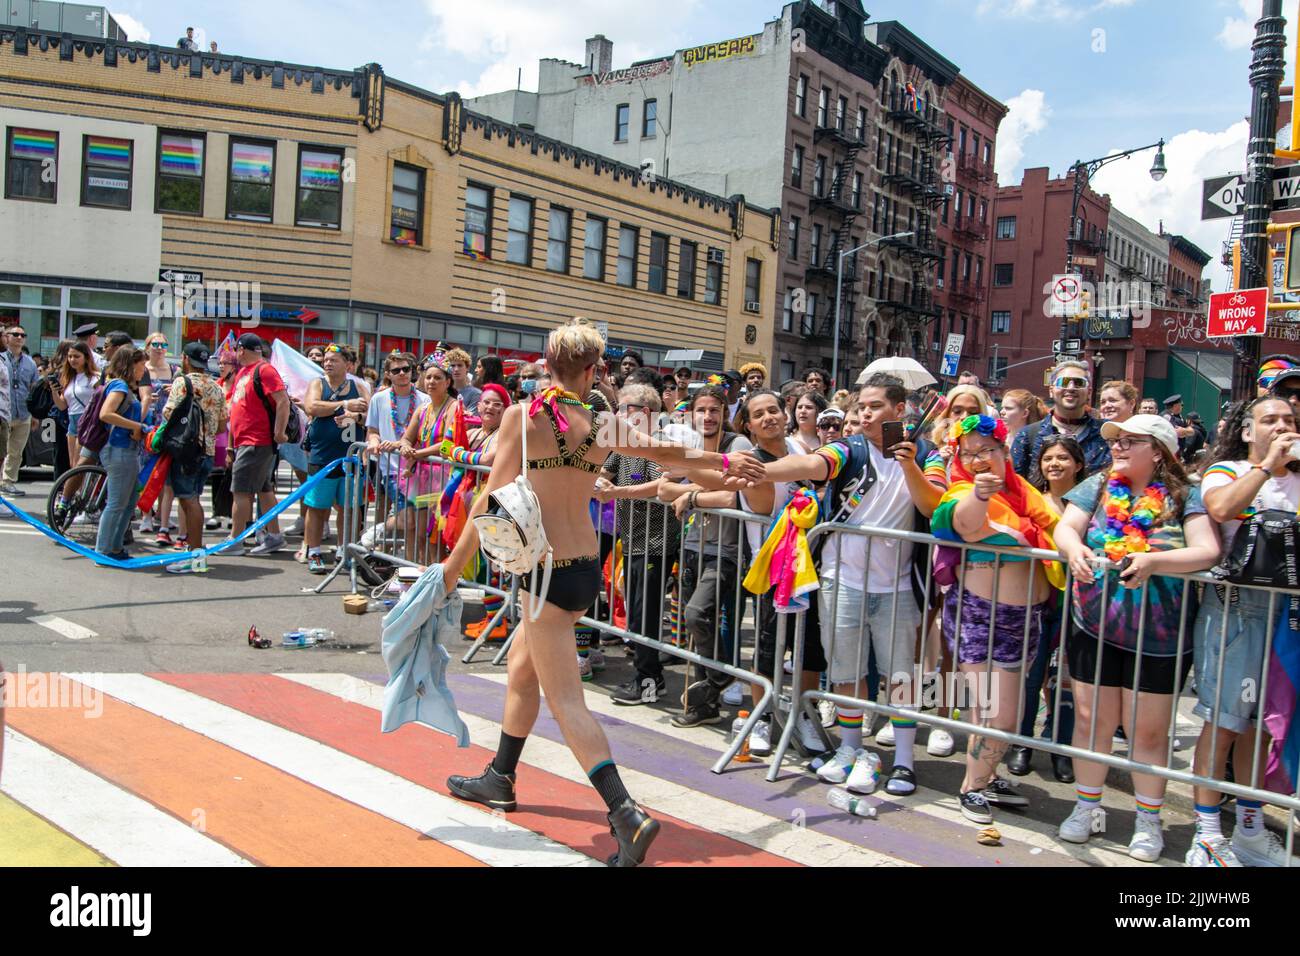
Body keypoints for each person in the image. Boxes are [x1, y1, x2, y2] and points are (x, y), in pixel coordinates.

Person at [440, 318, 763, 867]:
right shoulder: (600, 424)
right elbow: (668, 453)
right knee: (522, 668)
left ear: (548, 362)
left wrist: (447, 574)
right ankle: (501, 775)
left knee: (566, 700)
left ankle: (625, 813)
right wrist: (723, 461)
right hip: (586, 564)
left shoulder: (524, 418)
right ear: (593, 370)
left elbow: (488, 503)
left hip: (543, 572)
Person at [759, 374, 946, 791]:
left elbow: (932, 504)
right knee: (845, 671)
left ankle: (902, 761)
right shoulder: (850, 447)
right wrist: (763, 471)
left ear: (901, 411)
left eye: (875, 406)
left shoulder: (928, 454)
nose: (864, 413)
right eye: (860, 405)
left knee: (899, 676)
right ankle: (849, 748)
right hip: (840, 578)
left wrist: (909, 463)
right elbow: (812, 463)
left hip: (897, 586)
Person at [1053, 414, 1220, 862]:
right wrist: (1073, 548)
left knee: (1147, 733)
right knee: (1091, 723)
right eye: (1116, 441)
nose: (1118, 448)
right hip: (1094, 623)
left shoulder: (1187, 495)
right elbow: (1066, 527)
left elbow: (1207, 550)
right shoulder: (1096, 486)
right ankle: (1087, 809)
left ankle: (1148, 821)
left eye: (1130, 441)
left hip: (1160, 633)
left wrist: (1153, 562)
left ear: (1159, 451)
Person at [928, 415, 1063, 822]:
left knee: (1008, 706)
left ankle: (985, 774)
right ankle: (971, 787)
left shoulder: (1025, 494)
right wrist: (982, 496)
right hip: (981, 616)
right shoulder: (963, 491)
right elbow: (965, 526)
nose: (978, 459)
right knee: (995, 711)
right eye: (969, 453)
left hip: (1028, 616)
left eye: (986, 449)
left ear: (1005, 451)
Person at [1186, 396, 1300, 867]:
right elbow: (1219, 508)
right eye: (1268, 420)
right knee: (1225, 722)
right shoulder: (1228, 471)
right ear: (1248, 431)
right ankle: (1207, 835)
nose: (1281, 426)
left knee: (1263, 728)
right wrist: (1268, 468)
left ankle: (1250, 829)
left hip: (1287, 615)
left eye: (1289, 420)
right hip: (1236, 613)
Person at [656, 385, 753, 725]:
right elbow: (664, 489)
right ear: (692, 414)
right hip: (693, 547)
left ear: (724, 414)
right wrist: (699, 490)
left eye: (714, 410)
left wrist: (694, 497)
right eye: (702, 410)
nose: (708, 417)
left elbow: (736, 496)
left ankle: (720, 677)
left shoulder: (737, 445)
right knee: (697, 627)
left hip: (726, 550)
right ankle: (707, 705)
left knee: (698, 614)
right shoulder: (690, 446)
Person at [1008, 435, 1087, 783]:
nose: (1054, 464)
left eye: (1063, 458)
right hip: (1036, 600)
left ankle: (1060, 747)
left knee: (1063, 681)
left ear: (1079, 465)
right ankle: (1021, 744)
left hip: (1076, 602)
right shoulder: (1031, 500)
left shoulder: (1088, 503)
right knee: (1030, 675)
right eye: (1048, 459)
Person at [595, 382, 680, 705]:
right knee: (635, 612)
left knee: (646, 614)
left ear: (643, 413)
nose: (617, 415)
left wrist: (616, 492)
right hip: (630, 538)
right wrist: (600, 480)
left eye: (622, 409)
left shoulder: (661, 443)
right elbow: (606, 472)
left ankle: (649, 679)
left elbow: (663, 485)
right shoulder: (622, 446)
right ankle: (646, 673)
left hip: (656, 541)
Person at [301, 345, 368, 574]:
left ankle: (343, 549)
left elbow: (370, 415)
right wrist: (344, 405)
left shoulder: (358, 386)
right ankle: (314, 551)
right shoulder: (318, 383)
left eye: (334, 360)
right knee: (317, 507)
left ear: (347, 365)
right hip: (323, 457)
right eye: (326, 360)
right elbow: (312, 406)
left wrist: (355, 415)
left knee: (348, 508)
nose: (328, 363)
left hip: (351, 459)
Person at [161, 343, 228, 573]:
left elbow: (168, 413)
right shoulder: (216, 386)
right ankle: (195, 552)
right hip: (207, 452)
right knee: (194, 499)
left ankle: (195, 555)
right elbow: (221, 426)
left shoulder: (183, 382)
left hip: (186, 451)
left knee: (189, 502)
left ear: (185, 359)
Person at [225, 334, 289, 555]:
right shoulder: (244, 372)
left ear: (242, 349)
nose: (235, 353)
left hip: (256, 441)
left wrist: (278, 432)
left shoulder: (264, 370)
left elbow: (283, 401)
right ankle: (274, 536)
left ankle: (235, 540)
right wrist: (231, 446)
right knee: (264, 490)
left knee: (241, 492)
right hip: (248, 441)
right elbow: (235, 410)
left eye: (236, 349)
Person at [363, 352, 430, 554]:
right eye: (396, 370)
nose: (402, 373)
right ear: (388, 374)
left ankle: (408, 568)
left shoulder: (424, 399)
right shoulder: (379, 398)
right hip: (392, 469)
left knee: (417, 527)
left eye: (406, 369)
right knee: (409, 519)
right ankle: (378, 531)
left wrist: (400, 444)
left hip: (420, 469)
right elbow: (372, 431)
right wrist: (374, 442)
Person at [398, 353, 462, 563]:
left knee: (436, 532)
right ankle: (415, 570)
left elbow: (449, 444)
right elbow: (407, 437)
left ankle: (436, 575)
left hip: (442, 476)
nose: (431, 382)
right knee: (416, 528)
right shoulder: (422, 408)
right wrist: (406, 447)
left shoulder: (454, 407)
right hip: (420, 475)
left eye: (437, 378)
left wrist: (419, 454)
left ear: (448, 382)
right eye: (428, 377)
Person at [1010, 360, 1110, 479]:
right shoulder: (1028, 436)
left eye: (1079, 383)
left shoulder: (1108, 433)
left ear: (1089, 392)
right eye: (1064, 382)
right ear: (1051, 391)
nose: (1071, 388)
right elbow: (1015, 485)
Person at [94, 348, 147, 560]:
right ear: (131, 364)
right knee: (116, 503)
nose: (143, 370)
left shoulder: (125, 386)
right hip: (119, 450)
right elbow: (105, 414)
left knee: (127, 504)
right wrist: (137, 426)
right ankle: (104, 550)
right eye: (142, 365)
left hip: (127, 450)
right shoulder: (119, 385)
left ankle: (114, 548)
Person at [139, 332, 182, 544]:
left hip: (167, 426)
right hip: (148, 424)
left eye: (163, 344)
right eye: (155, 344)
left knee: (166, 474)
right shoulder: (142, 369)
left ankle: (161, 516)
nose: (159, 347)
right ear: (147, 347)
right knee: (147, 472)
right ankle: (146, 514)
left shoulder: (175, 371)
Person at [50, 342, 99, 523]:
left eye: (76, 356)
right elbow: (63, 405)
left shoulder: (94, 378)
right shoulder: (68, 378)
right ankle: (74, 501)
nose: (72, 360)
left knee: (81, 467)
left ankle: (78, 503)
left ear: (86, 358)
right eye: (70, 356)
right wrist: (55, 392)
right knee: (73, 468)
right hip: (72, 424)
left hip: (87, 423)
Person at [1, 326, 39, 497]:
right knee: (1, 451)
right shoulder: (1, 359)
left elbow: (33, 390)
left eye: (22, 335)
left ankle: (7, 482)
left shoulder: (30, 363)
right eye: (15, 334)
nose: (19, 337)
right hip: (4, 412)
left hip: (23, 413)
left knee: (16, 452)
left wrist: (35, 415)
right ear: (6, 337)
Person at [790, 388, 828, 453]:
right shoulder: (787, 440)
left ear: (820, 412)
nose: (803, 411)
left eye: (809, 407)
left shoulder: (827, 441)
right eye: (799, 407)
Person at [446, 347, 480, 414]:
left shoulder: (475, 394)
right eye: (452, 366)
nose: (456, 369)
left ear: (467, 368)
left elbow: (471, 422)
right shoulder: (443, 391)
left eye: (460, 365)